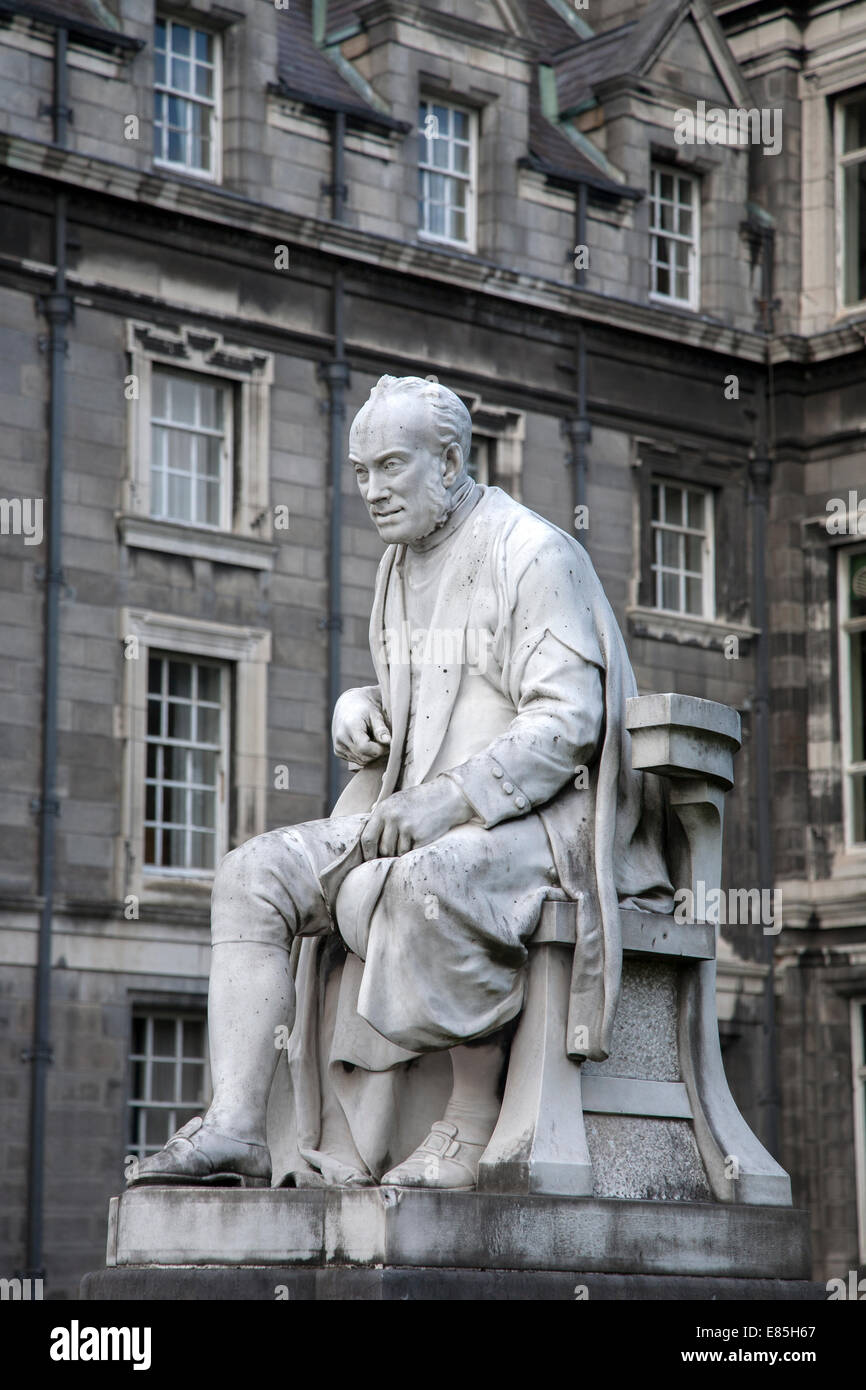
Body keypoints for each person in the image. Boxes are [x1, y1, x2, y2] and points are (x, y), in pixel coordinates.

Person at [128, 374, 672, 1193]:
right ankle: (237, 1125)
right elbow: (442, 694)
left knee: (428, 880)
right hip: (411, 809)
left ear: (449, 461)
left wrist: (447, 800)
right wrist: (364, 707)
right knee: (250, 875)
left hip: (542, 821)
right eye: (360, 472)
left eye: (390, 467)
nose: (371, 492)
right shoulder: (399, 562)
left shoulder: (531, 552)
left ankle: (471, 1116)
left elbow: (566, 722)